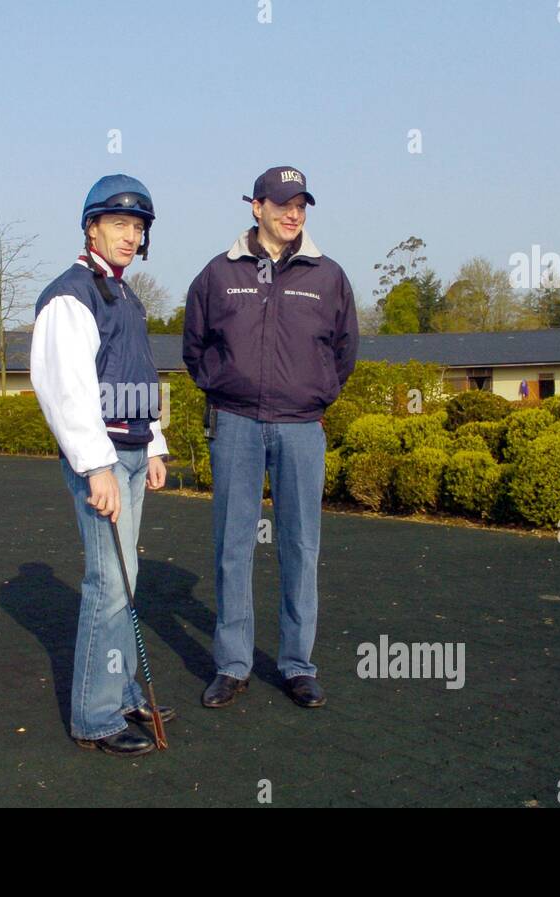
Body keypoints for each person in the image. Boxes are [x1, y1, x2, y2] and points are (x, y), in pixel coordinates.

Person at [183, 166, 359, 710]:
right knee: (233, 547)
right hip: (235, 424)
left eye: (301, 205)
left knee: (300, 547)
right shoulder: (217, 274)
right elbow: (195, 348)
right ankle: (233, 666)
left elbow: (345, 351)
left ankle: (297, 666)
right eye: (283, 203)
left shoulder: (329, 277)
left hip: (302, 428)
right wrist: (223, 389)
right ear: (255, 207)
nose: (293, 213)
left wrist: (318, 393)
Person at [30, 174, 175, 756]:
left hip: (134, 451)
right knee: (107, 584)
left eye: (137, 227)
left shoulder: (126, 294)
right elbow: (65, 389)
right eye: (118, 223)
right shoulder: (71, 295)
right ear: (92, 226)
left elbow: (137, 373)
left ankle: (122, 691)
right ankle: (94, 716)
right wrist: (97, 467)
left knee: (126, 580)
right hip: (104, 459)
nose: (129, 235)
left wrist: (156, 441)